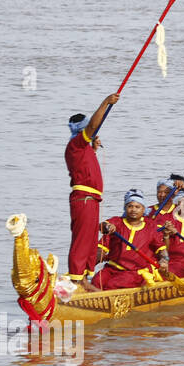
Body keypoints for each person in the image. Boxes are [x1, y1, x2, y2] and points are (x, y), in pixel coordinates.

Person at [65, 93, 118, 285]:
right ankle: (76, 280)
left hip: (92, 199)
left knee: (89, 240)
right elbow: (93, 126)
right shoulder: (76, 143)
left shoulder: (83, 147)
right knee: (82, 240)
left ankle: (85, 277)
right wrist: (106, 102)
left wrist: (93, 149)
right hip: (84, 198)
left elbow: (84, 165)